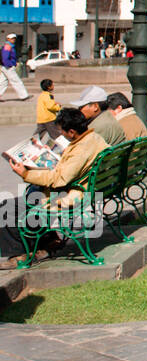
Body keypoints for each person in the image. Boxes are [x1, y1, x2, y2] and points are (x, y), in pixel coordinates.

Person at [1, 108, 110, 269]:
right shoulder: (93, 138)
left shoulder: (80, 150)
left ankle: (20, 254)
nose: (61, 135)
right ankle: (49, 241)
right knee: (33, 194)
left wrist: (26, 173)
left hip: (73, 196)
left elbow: (59, 179)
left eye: (63, 132)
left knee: (7, 207)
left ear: (72, 132)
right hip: (87, 189)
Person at [0, 35, 28, 101]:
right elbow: (5, 58)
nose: (13, 40)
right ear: (8, 39)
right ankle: (23, 96)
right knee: (16, 81)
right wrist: (10, 65)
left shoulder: (10, 46)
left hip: (5, 66)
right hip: (8, 67)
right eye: (12, 39)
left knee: (3, 82)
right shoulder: (8, 46)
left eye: (14, 39)